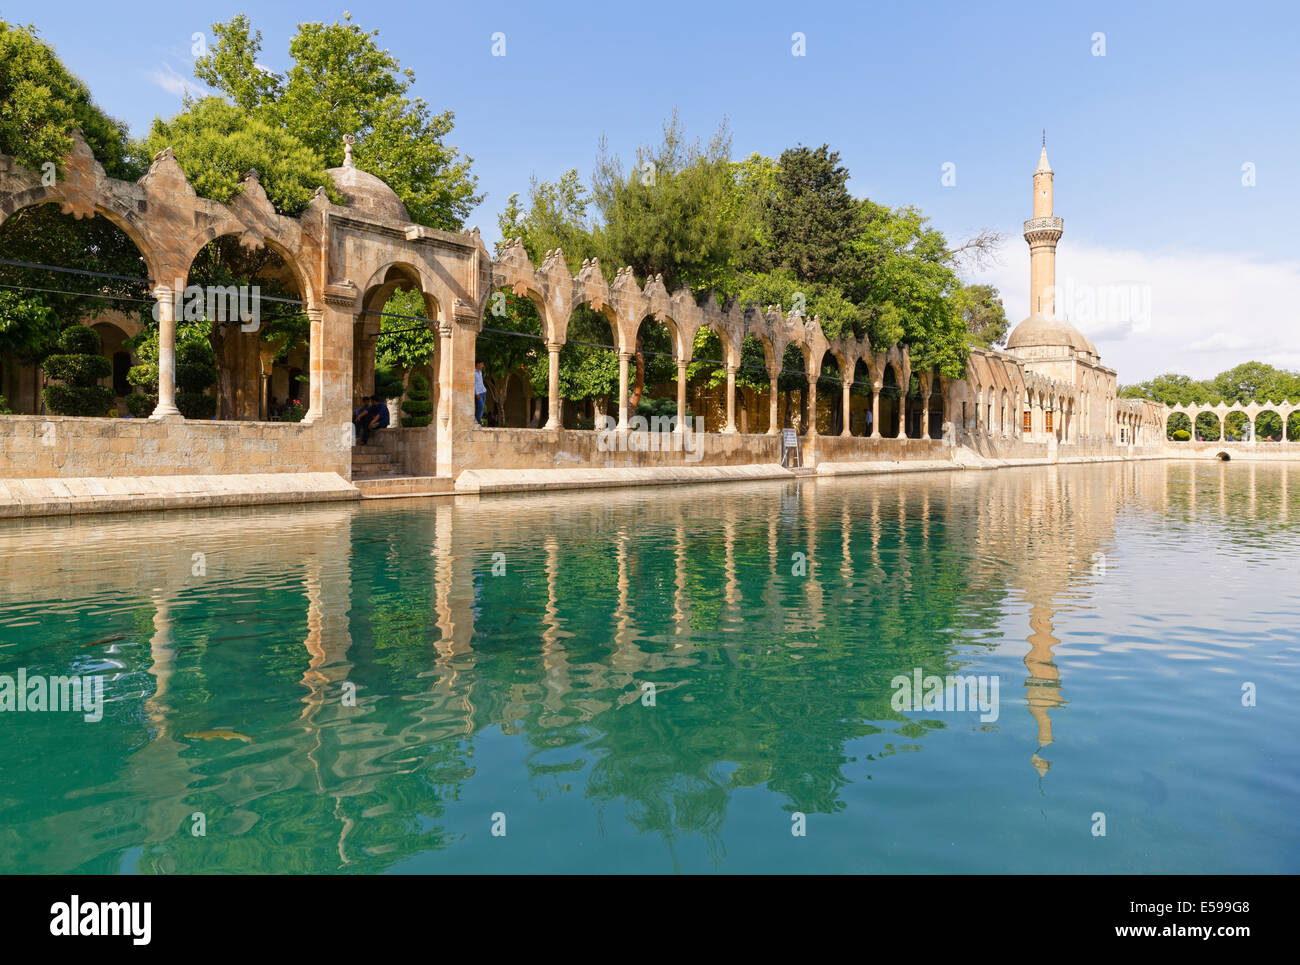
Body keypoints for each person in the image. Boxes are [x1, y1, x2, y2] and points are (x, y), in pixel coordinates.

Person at [474, 361, 487, 425]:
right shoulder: (473, 372)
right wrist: (477, 393)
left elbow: (481, 382)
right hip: (478, 393)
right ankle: (477, 422)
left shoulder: (480, 372)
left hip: (483, 392)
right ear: (478, 364)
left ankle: (477, 421)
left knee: (482, 407)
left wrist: (484, 389)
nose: (483, 366)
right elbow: (474, 384)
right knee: (480, 407)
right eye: (482, 364)